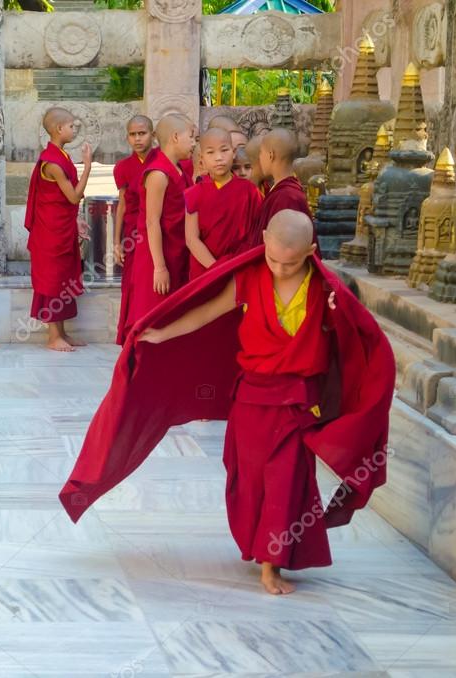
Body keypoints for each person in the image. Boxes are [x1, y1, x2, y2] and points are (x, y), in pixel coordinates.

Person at [60, 210, 395, 596]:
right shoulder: (249, 277)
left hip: (296, 402)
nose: (280, 270)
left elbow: (355, 343)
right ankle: (260, 549)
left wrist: (340, 315)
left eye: (291, 263)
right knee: (250, 481)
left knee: (287, 482)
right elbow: (205, 312)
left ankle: (273, 564)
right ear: (264, 240)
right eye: (272, 259)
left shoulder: (324, 290)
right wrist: (163, 333)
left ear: (311, 251)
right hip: (251, 399)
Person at [24, 107, 92, 352]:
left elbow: (64, 201)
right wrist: (87, 167)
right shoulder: (51, 162)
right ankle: (53, 337)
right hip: (50, 232)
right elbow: (73, 197)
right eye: (71, 126)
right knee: (53, 281)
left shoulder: (59, 155)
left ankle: (62, 333)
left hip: (61, 227)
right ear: (58, 129)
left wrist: (75, 221)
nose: (74, 129)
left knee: (63, 279)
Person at [122, 114, 194, 337]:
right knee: (151, 320)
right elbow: (151, 222)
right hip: (157, 258)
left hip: (176, 253)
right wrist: (159, 267)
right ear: (175, 137)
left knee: (171, 322)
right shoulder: (158, 173)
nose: (194, 143)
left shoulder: (179, 169)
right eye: (191, 137)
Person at [185, 127, 263, 280]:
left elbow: (258, 232)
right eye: (210, 152)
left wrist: (234, 267)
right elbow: (191, 239)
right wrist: (216, 269)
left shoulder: (249, 191)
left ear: (233, 152)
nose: (218, 158)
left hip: (240, 269)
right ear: (201, 158)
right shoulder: (193, 194)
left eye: (224, 150)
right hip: (206, 271)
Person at [112, 115, 154, 345]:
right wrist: (117, 241)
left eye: (142, 133)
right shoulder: (124, 167)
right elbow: (123, 204)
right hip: (133, 233)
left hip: (158, 230)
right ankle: (131, 334)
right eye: (133, 134)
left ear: (153, 135)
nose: (137, 139)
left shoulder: (163, 161)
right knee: (132, 284)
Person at [253, 129, 314, 240]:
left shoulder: (286, 197)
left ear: (271, 155)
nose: (259, 158)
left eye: (261, 153)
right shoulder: (287, 190)